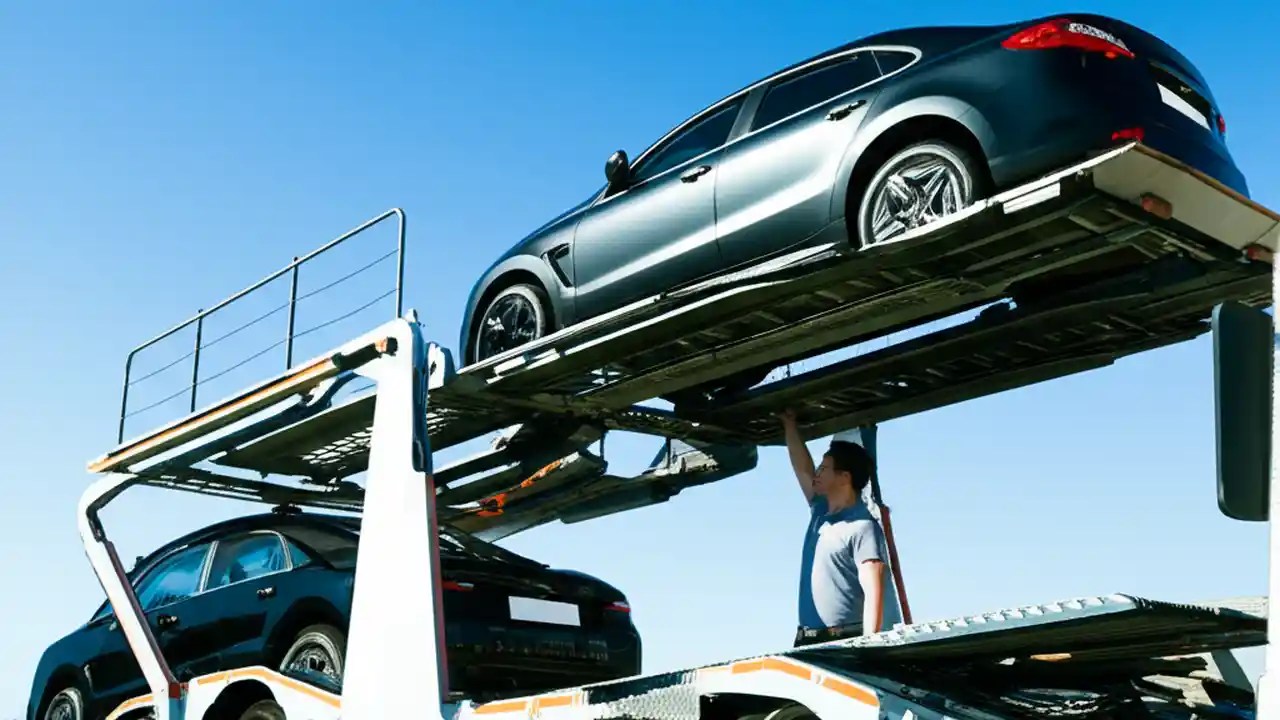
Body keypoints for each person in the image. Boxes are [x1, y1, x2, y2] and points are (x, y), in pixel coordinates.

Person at [778, 408, 887, 646]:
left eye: (824, 468)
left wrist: (868, 647)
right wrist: (789, 426)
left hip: (844, 640)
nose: (817, 473)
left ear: (844, 477)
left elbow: (873, 591)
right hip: (806, 640)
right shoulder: (820, 511)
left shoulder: (864, 527)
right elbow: (802, 467)